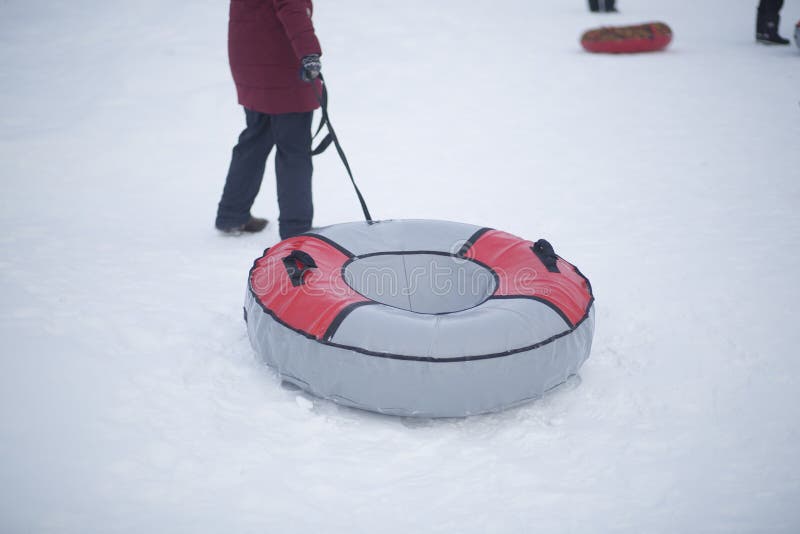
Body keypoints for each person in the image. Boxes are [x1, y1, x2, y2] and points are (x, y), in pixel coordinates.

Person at [216, 0, 323, 238]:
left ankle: (232, 215)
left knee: (255, 139)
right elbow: (293, 9)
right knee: (294, 150)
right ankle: (297, 228)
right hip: (283, 69)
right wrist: (310, 54)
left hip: (252, 65)